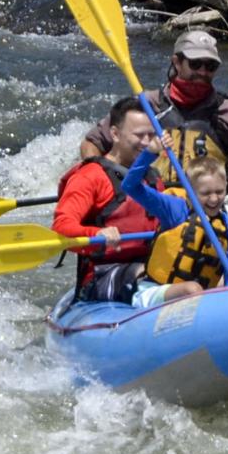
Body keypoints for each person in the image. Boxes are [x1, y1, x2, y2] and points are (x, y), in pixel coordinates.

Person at [80, 29, 228, 194]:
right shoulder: (144, 106)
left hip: (204, 217)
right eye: (195, 64)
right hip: (149, 208)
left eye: (210, 66)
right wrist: (104, 180)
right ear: (177, 62)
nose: (203, 72)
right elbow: (92, 143)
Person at [121, 135, 228, 308]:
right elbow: (130, 186)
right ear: (189, 192)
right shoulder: (174, 209)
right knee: (192, 289)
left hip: (200, 294)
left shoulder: (226, 224)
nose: (214, 199)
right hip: (155, 291)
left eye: (219, 191)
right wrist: (150, 153)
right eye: (206, 193)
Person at [52, 97, 161, 302]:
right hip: (102, 276)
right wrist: (97, 234)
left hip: (151, 265)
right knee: (147, 272)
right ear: (114, 134)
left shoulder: (152, 177)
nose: (147, 143)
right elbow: (61, 228)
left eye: (152, 135)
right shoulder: (90, 176)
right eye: (139, 135)